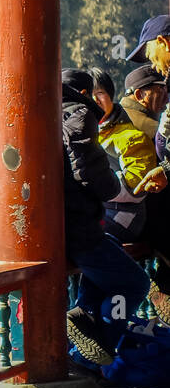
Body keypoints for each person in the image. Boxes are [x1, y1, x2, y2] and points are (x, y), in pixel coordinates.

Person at [60, 69, 151, 366]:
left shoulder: (48, 112)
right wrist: (112, 184)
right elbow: (91, 175)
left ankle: (84, 313)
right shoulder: (79, 114)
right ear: (85, 94)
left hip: (65, 224)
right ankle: (98, 347)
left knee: (110, 248)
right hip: (79, 225)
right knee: (135, 283)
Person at [90, 68, 155, 243]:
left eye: (100, 93)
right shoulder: (86, 132)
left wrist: (94, 183)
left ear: (111, 96)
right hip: (99, 212)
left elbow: (138, 187)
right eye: (89, 95)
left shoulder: (130, 136)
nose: (95, 100)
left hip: (124, 216)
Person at [119, 63, 166, 143]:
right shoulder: (153, 129)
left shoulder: (120, 114)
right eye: (160, 91)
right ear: (139, 96)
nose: (166, 98)